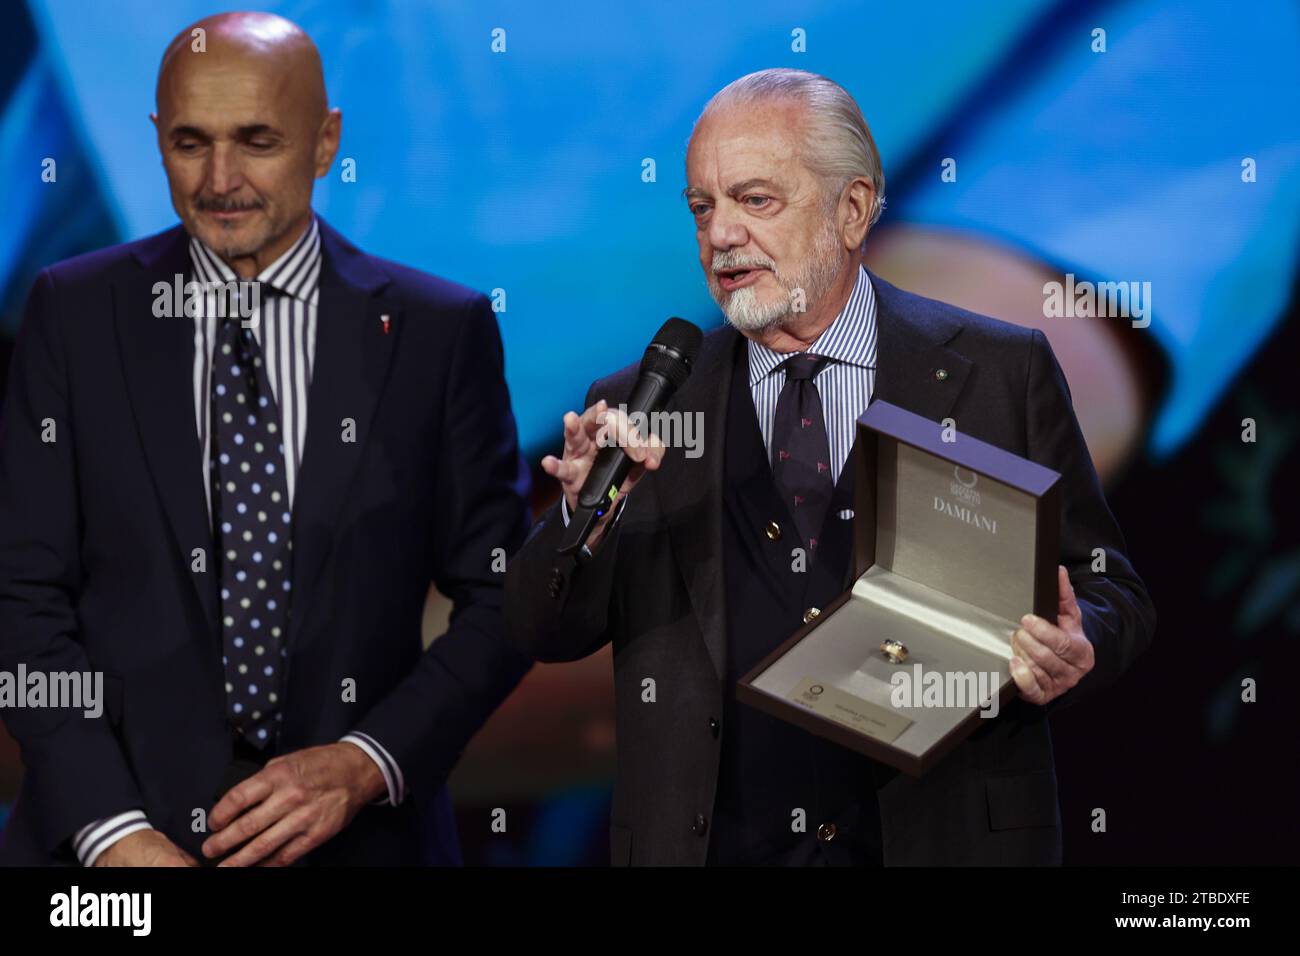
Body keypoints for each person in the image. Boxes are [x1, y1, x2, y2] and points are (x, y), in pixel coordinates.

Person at [505, 68, 1156, 865]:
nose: (720, 237)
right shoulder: (643, 407)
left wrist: (1080, 639)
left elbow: (1110, 587)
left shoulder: (998, 370)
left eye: (756, 201)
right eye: (701, 208)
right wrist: (580, 516)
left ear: (851, 210)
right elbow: (543, 629)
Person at [0, 12, 531, 866]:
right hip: (105, 857)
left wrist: (366, 764)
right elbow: (21, 598)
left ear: (325, 142)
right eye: (189, 142)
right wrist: (114, 834)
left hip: (362, 845)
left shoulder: (438, 331)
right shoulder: (73, 312)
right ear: (155, 139)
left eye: (256, 140)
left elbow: (505, 599)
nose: (220, 179)